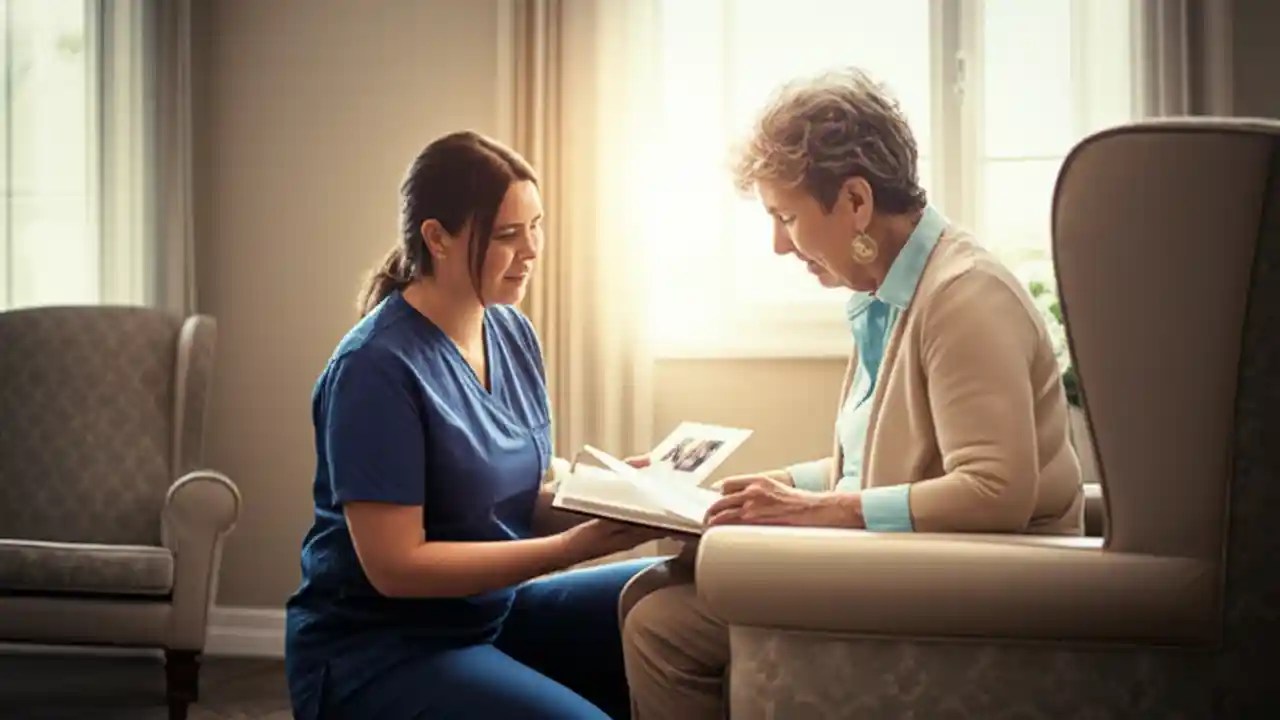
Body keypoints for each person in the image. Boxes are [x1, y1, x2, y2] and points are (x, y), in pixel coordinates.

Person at [621, 67, 1085, 719]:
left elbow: (993, 491)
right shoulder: (891, 293)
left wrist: (810, 513)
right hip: (916, 561)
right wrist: (760, 491)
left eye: (786, 217)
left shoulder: (965, 297)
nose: (779, 245)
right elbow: (882, 463)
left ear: (857, 201)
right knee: (653, 591)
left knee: (660, 622)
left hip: (973, 582)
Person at [284, 130, 664, 719]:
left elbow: (522, 492)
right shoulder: (375, 369)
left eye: (536, 226)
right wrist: (568, 548)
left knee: (674, 593)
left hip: (492, 613)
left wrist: (620, 499)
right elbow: (396, 567)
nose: (532, 250)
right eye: (509, 234)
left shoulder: (510, 331)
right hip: (381, 653)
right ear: (436, 238)